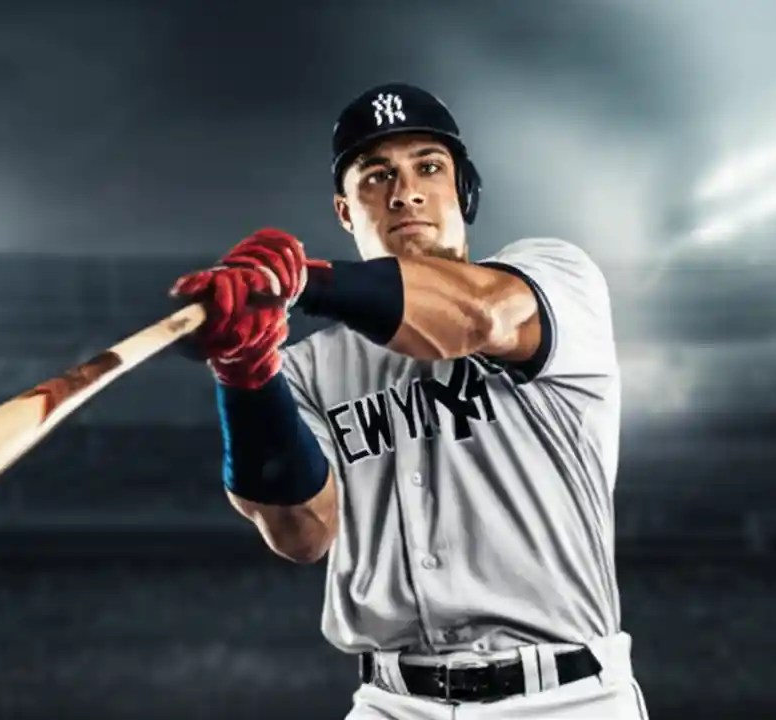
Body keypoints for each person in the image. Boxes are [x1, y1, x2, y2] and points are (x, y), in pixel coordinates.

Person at [170, 82, 648, 719]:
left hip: (565, 695)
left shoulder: (554, 276)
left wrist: (300, 281)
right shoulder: (310, 368)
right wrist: (246, 373)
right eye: (375, 176)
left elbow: (474, 319)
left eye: (428, 166)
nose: (405, 192)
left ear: (465, 190)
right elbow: (302, 532)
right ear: (346, 211)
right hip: (394, 704)